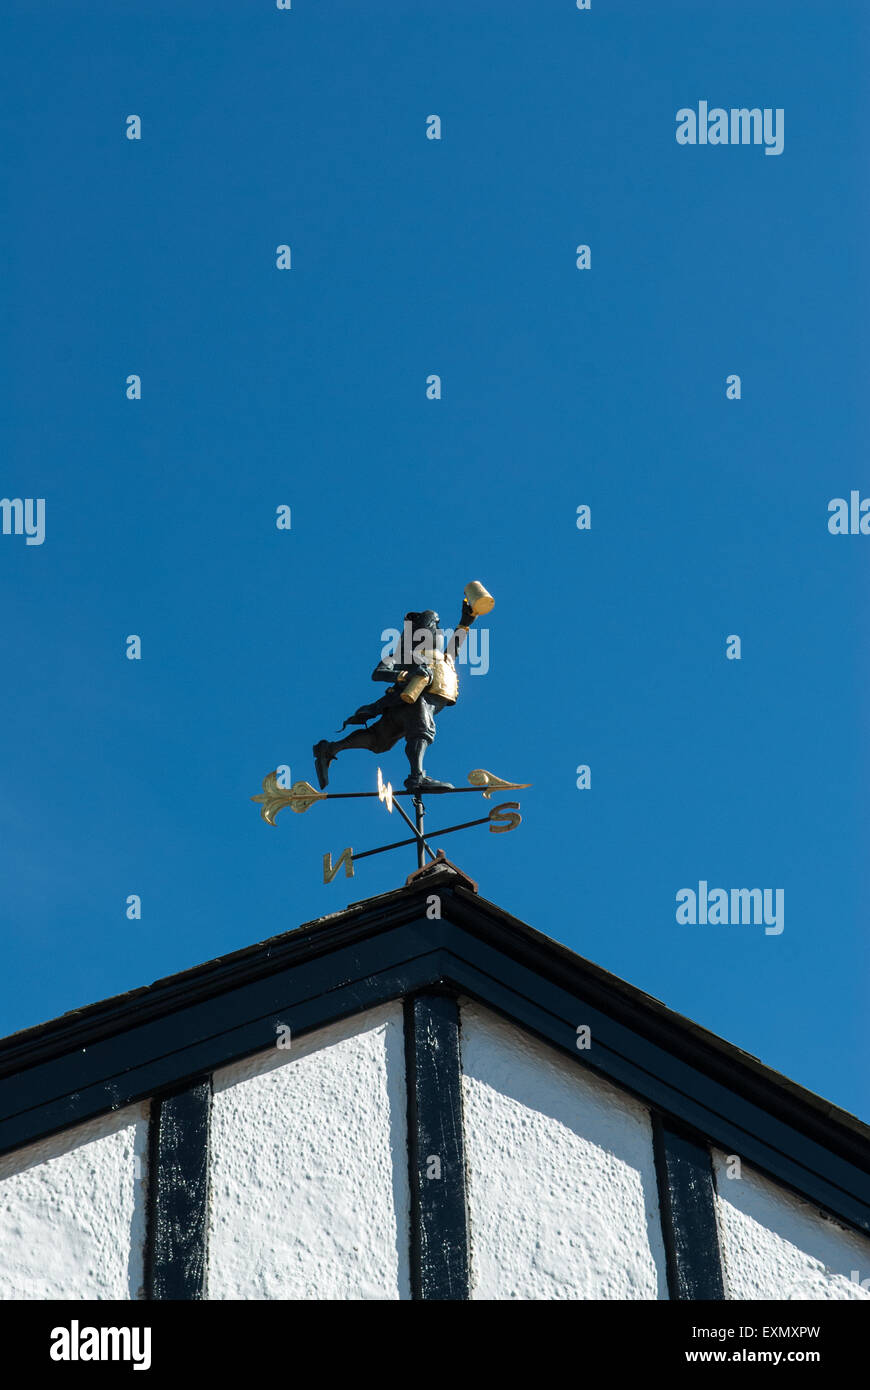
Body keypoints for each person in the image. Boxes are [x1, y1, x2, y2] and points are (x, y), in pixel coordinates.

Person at [313, 602, 475, 793]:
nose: (439, 631)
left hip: (403, 706)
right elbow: (379, 673)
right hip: (412, 701)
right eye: (436, 626)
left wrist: (466, 620)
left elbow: (456, 642)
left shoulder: (441, 657)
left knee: (379, 740)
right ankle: (417, 777)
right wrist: (406, 675)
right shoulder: (406, 655)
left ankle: (330, 749)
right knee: (421, 731)